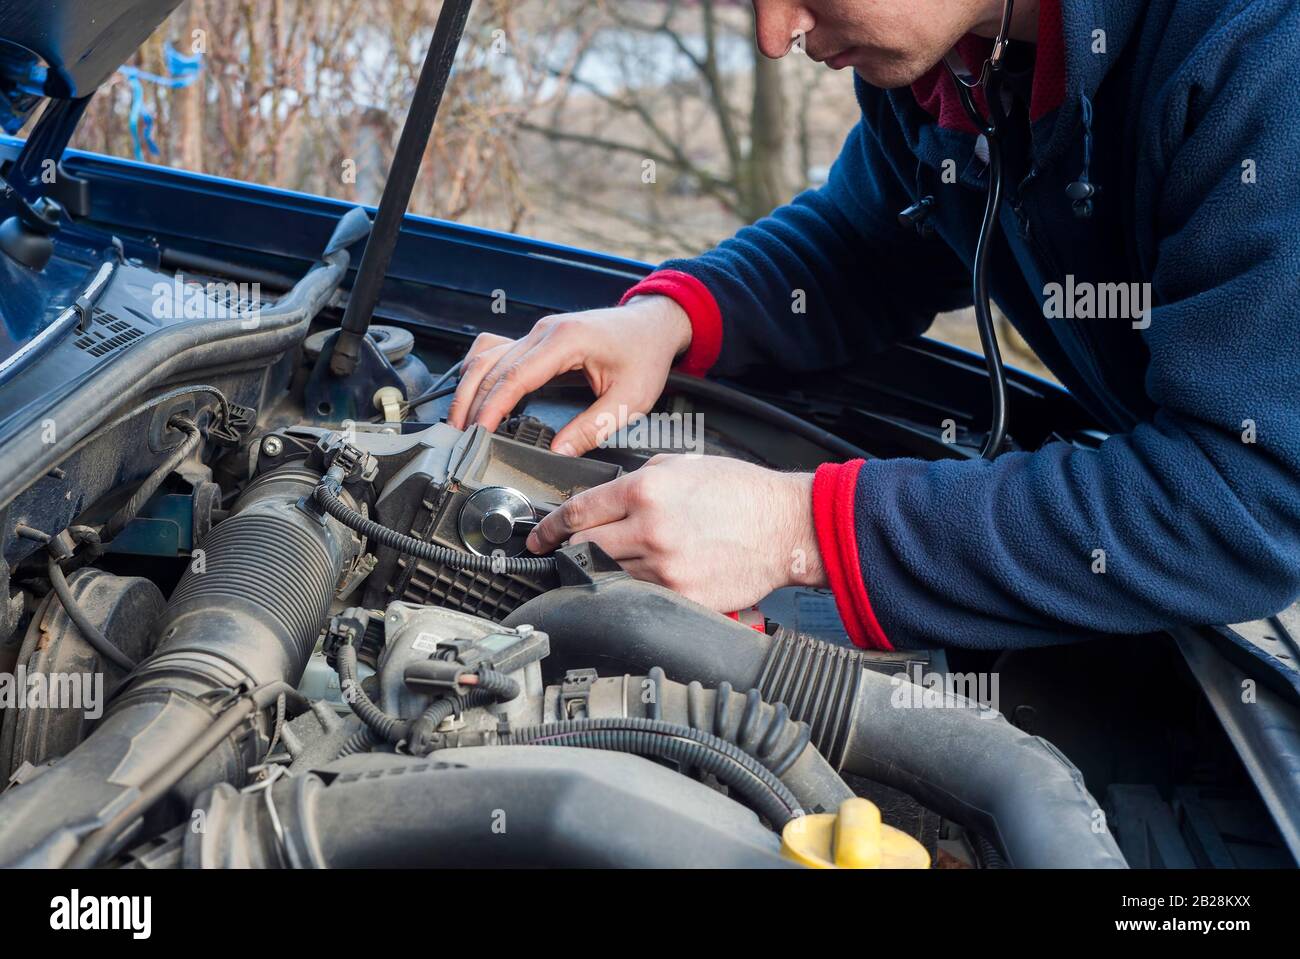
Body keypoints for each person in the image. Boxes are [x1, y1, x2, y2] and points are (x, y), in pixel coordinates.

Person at [448, 0, 1300, 652]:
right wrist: (669, 318)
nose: (775, 34)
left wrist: (802, 530)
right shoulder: (951, 59)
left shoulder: (1265, 58)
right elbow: (868, 243)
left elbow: (1243, 499)